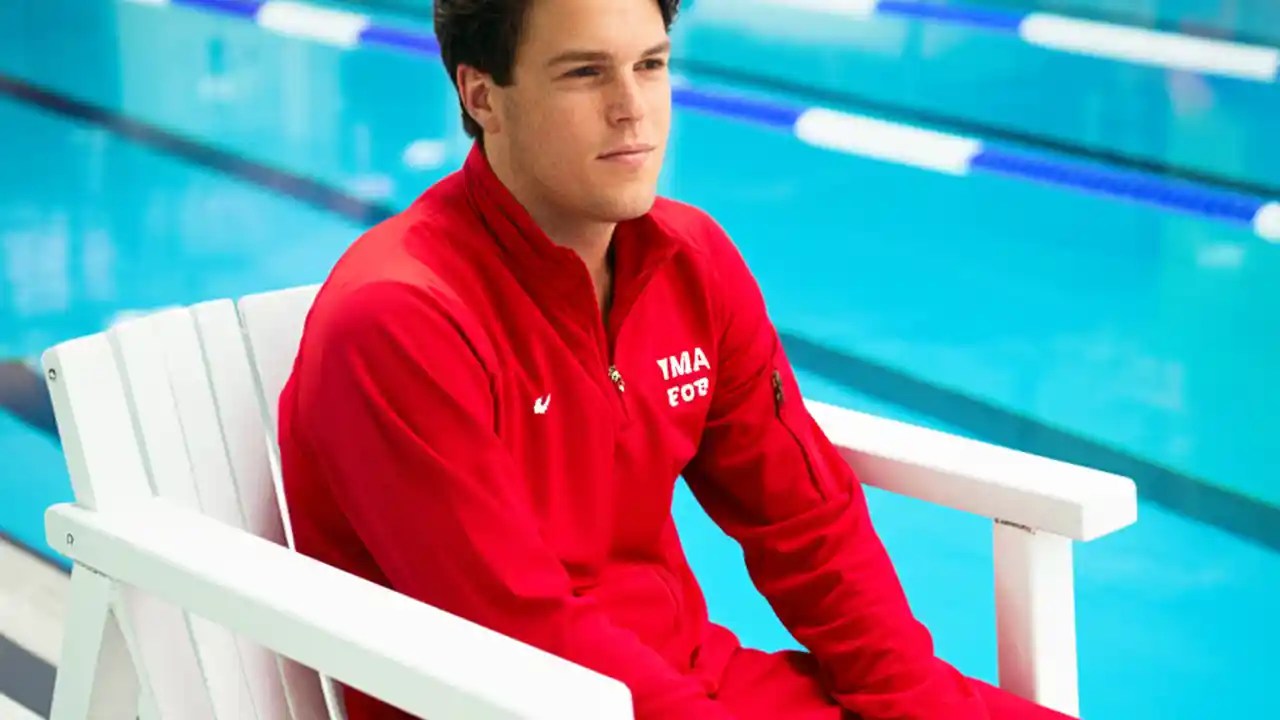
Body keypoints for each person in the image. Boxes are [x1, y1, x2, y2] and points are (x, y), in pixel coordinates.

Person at [276, 0, 1076, 718]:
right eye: (585, 73)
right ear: (481, 94)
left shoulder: (689, 261)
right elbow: (517, 631)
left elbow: (805, 519)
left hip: (696, 681)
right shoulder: (400, 320)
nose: (633, 111)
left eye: (649, 65)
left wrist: (913, 700)